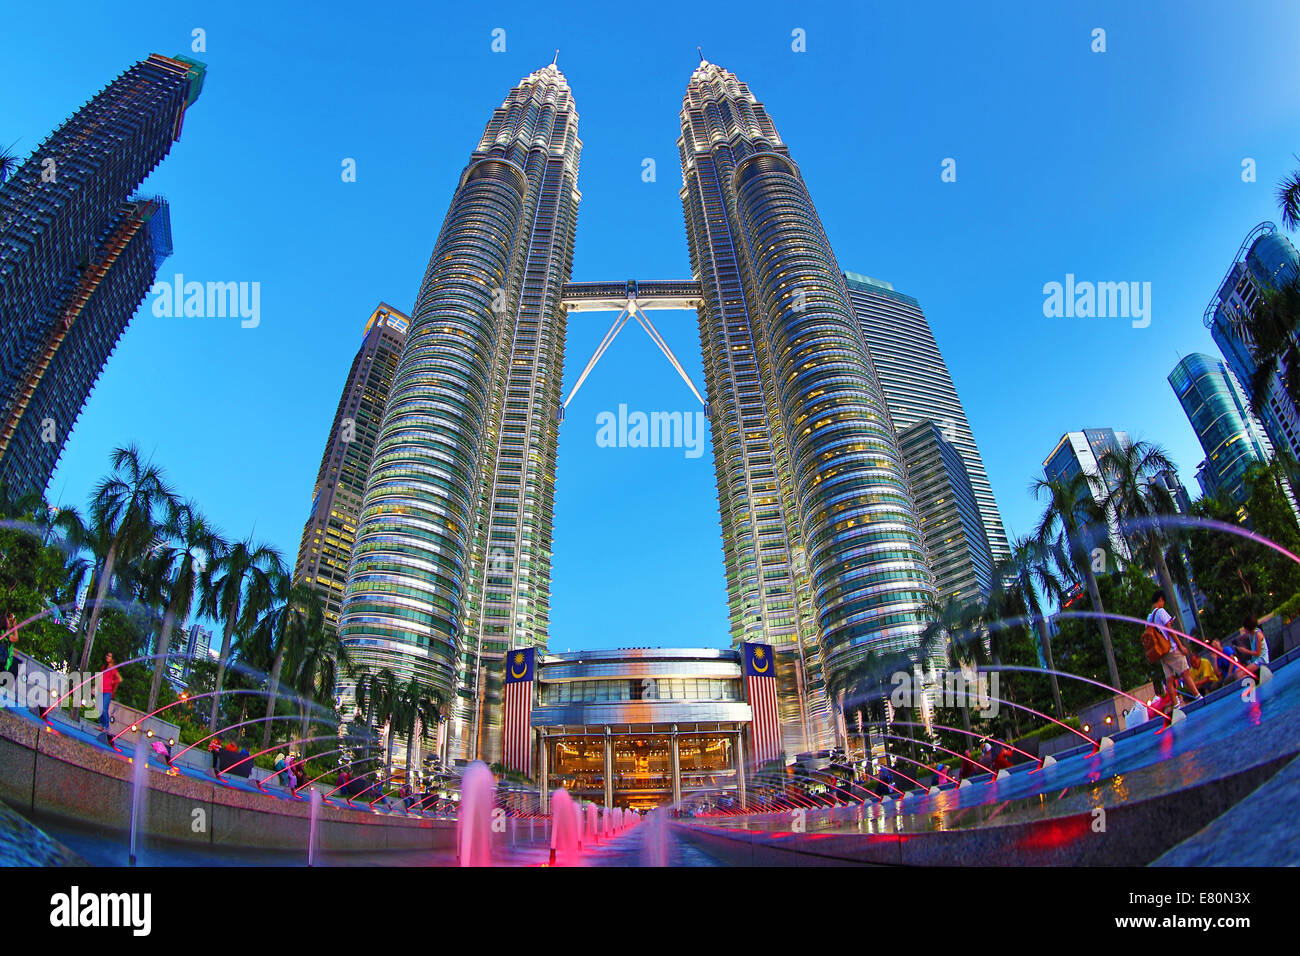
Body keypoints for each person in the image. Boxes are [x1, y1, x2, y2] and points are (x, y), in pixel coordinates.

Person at [1146, 590, 1201, 707]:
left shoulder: (1149, 617)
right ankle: (1198, 697)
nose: (1163, 604)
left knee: (1169, 679)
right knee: (1185, 672)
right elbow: (1170, 631)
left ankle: (1176, 705)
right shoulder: (1161, 612)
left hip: (1161, 652)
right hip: (1171, 649)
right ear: (1161, 599)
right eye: (1163, 601)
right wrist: (1181, 646)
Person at [1235, 615, 1271, 679]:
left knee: (1241, 674)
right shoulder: (1250, 634)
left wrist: (1245, 651)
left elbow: (1258, 653)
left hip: (1262, 660)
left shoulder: (1258, 635)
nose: (1244, 629)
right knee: (1237, 671)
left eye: (1245, 628)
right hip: (1255, 660)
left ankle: (1254, 681)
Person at [98, 652, 122, 734]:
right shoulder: (104, 667)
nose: (107, 657)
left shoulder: (113, 669)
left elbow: (119, 679)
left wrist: (112, 682)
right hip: (101, 690)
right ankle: (101, 725)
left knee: (104, 709)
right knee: (100, 708)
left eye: (109, 656)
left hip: (107, 691)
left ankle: (106, 727)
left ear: (112, 659)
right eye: (107, 655)